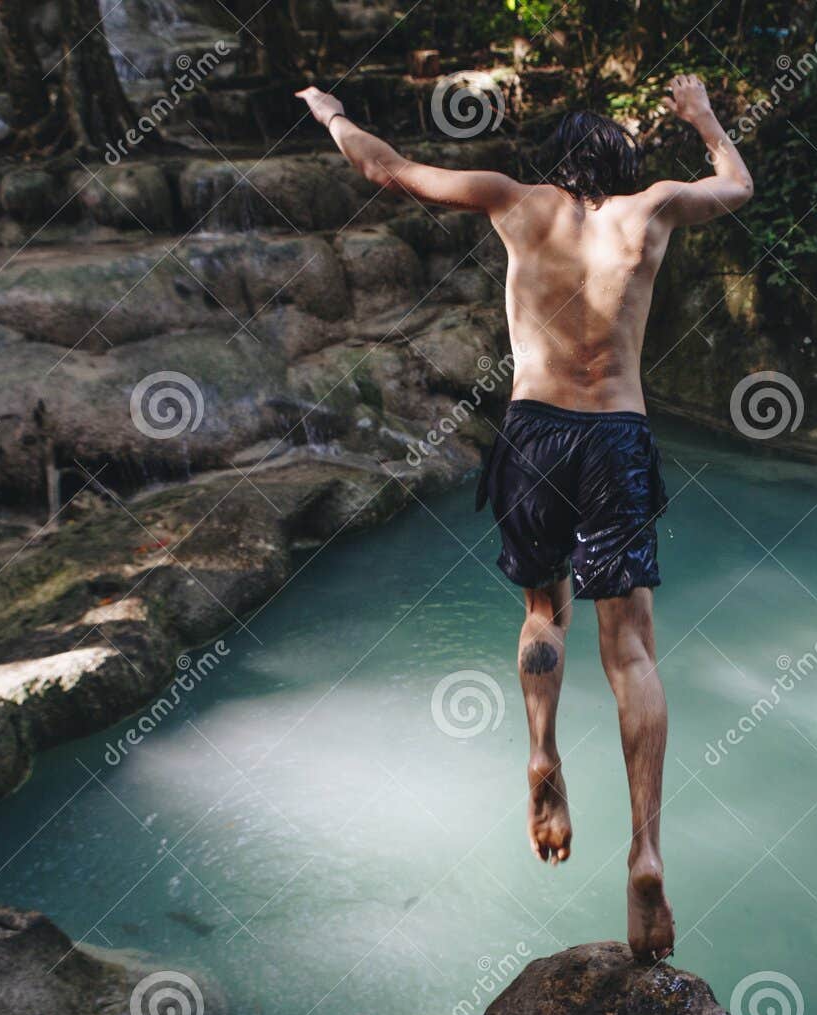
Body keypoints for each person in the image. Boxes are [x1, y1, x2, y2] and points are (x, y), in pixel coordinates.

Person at [298, 74, 753, 963]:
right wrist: (699, 116)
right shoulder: (653, 209)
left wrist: (331, 114)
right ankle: (647, 846)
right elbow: (737, 186)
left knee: (544, 613)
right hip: (617, 433)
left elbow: (387, 171)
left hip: (535, 430)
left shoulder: (512, 200)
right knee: (633, 651)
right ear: (622, 167)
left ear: (556, 161)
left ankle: (542, 754)